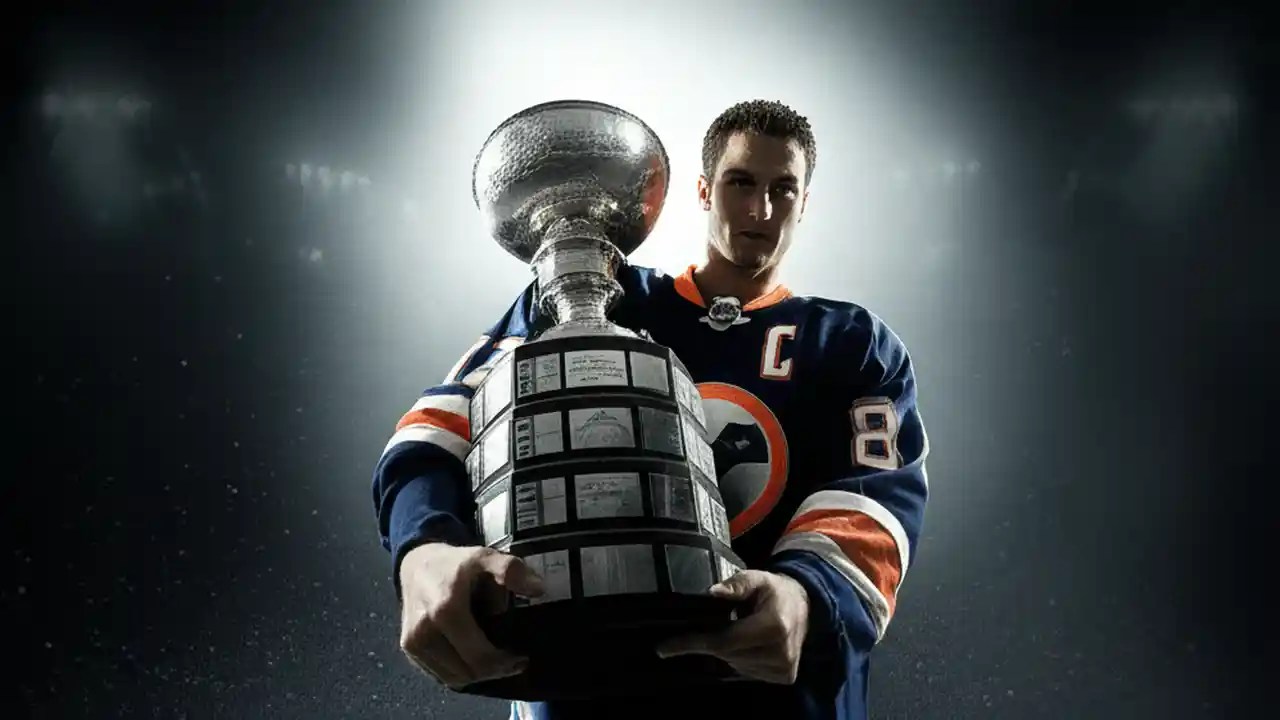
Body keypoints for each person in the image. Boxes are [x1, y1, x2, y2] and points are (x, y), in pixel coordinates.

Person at [371, 100, 930, 720]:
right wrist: (426, 548)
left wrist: (806, 595)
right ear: (701, 189)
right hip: (582, 691)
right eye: (740, 182)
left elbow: (873, 498)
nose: (760, 210)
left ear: (806, 203)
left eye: (784, 189)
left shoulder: (852, 342)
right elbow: (443, 426)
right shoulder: (593, 295)